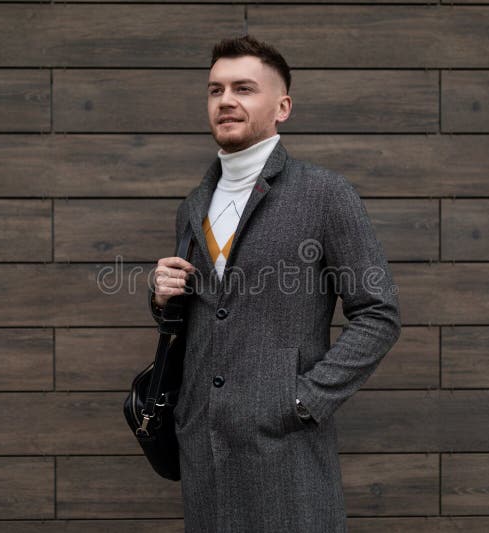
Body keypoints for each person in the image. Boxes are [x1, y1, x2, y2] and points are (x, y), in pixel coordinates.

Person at [149, 34, 401, 533]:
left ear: (282, 106)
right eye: (215, 90)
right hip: (204, 450)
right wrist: (162, 297)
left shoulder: (325, 194)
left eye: (244, 88)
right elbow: (207, 314)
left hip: (285, 449)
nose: (226, 101)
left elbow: (379, 313)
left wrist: (304, 400)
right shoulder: (193, 204)